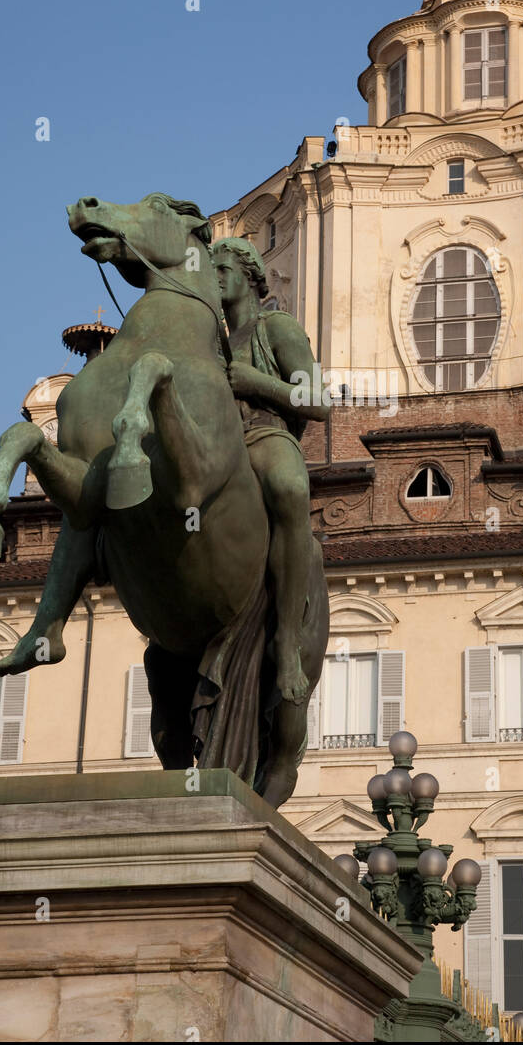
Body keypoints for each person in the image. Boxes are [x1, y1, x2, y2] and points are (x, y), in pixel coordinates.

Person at [211, 237, 330, 704]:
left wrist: (257, 382)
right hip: (216, 445)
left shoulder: (277, 328)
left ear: (250, 277)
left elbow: (317, 402)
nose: (214, 277)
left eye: (223, 269)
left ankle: (284, 639)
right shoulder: (212, 341)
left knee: (288, 485)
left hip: (265, 435)